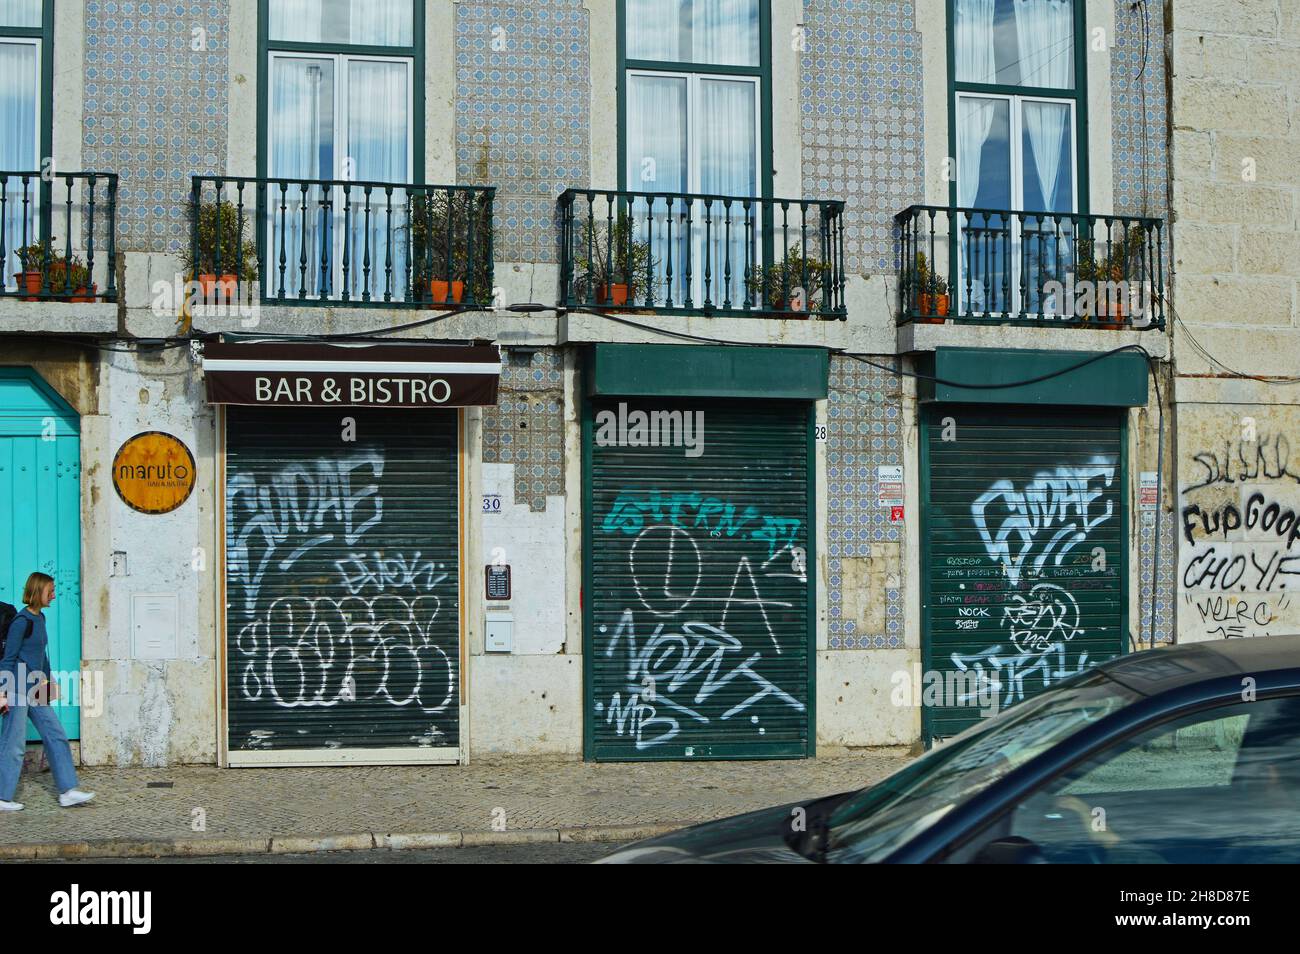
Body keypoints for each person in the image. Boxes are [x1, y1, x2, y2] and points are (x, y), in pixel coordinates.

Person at [0, 572, 94, 811]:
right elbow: (8, 660)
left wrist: (49, 680)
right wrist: (1, 693)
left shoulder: (40, 618)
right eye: (49, 591)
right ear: (37, 591)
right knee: (13, 745)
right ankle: (2, 797)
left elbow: (42, 655)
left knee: (56, 734)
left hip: (36, 688)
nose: (53, 595)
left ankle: (68, 791)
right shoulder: (21, 622)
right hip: (17, 688)